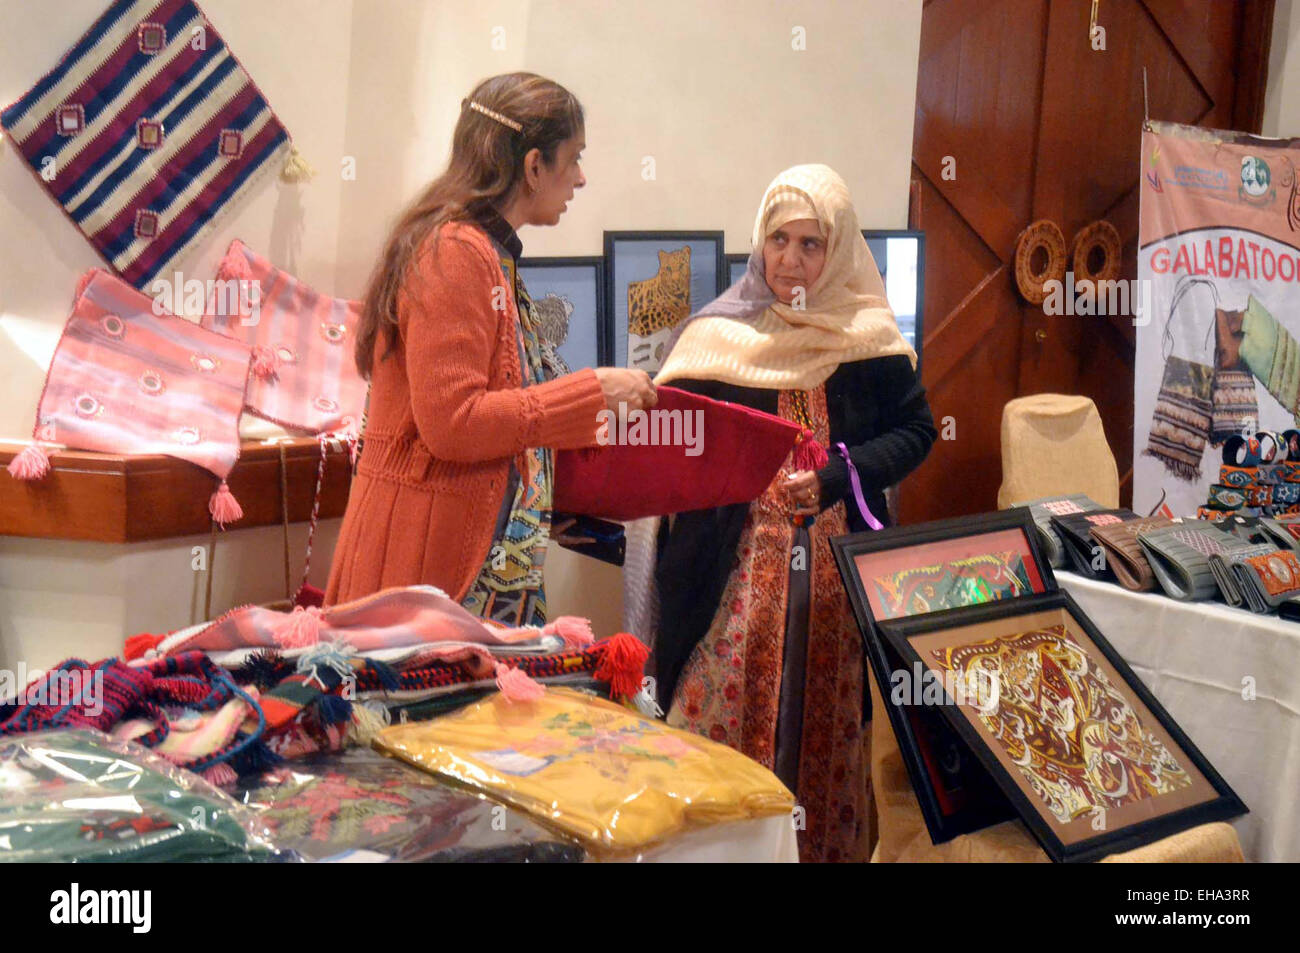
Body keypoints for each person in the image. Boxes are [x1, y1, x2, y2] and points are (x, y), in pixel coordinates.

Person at [651, 164, 936, 862]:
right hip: (733, 578)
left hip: (835, 585)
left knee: (822, 725)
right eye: (778, 239)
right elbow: (669, 439)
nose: (791, 260)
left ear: (835, 251)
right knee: (716, 716)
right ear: (759, 242)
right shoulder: (719, 337)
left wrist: (843, 474)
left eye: (811, 244)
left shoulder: (865, 339)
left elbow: (916, 431)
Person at [325, 73, 655, 625]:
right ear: (532, 166)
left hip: (459, 561)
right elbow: (453, 423)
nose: (579, 178)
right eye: (572, 159)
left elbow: (495, 420)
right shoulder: (455, 251)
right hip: (432, 575)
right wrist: (592, 393)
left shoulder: (481, 252)